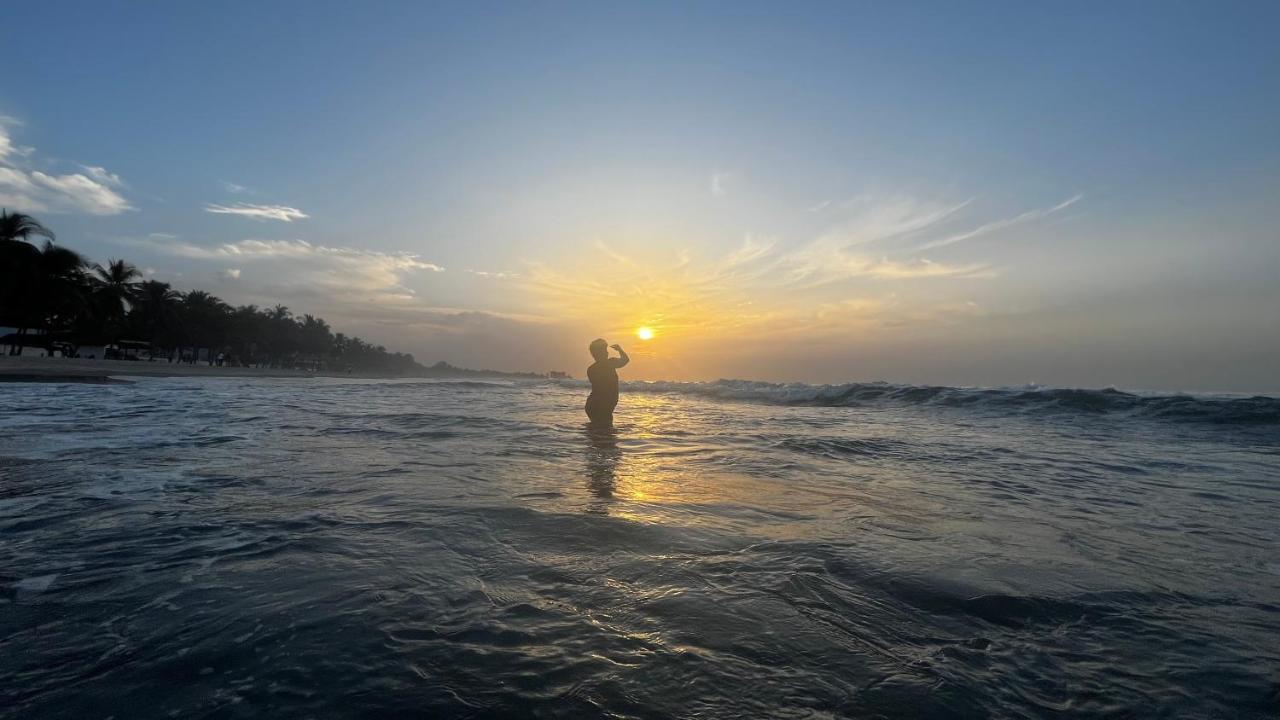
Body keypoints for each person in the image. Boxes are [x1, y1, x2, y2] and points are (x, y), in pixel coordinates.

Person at [584, 338, 629, 425]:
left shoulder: (591, 369)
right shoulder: (610, 363)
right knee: (605, 432)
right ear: (598, 353)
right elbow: (625, 360)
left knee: (597, 432)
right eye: (604, 350)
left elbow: (597, 387)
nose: (607, 352)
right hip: (602, 405)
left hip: (593, 404)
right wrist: (620, 350)